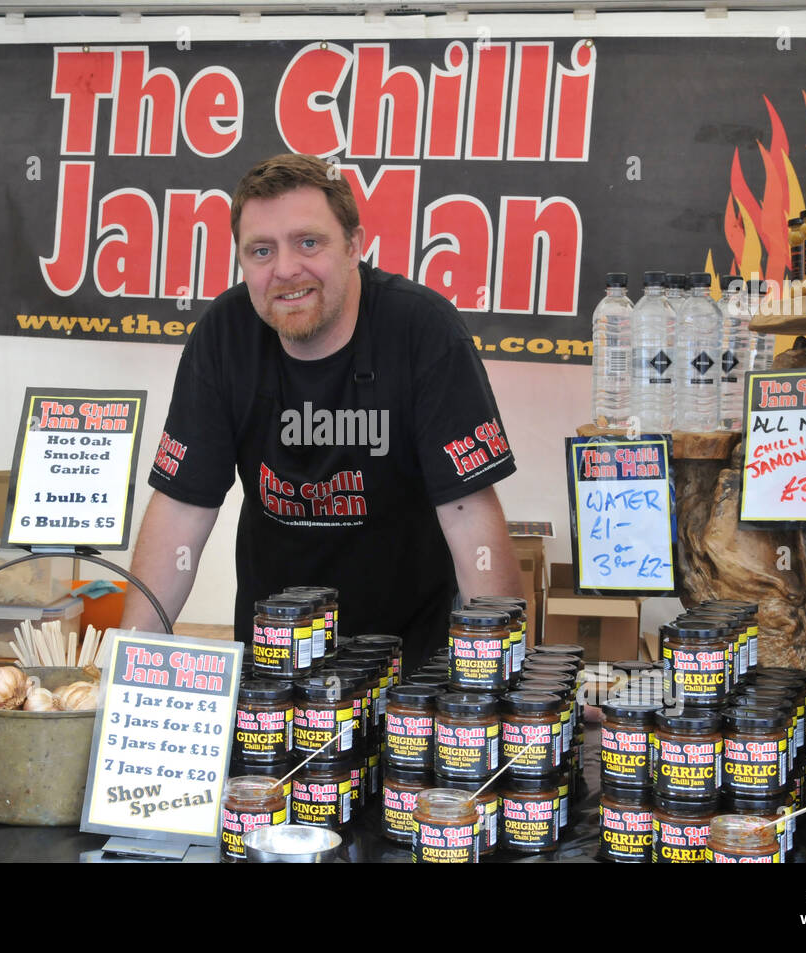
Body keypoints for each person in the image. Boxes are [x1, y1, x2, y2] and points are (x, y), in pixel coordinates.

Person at [120, 153, 520, 670]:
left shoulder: (422, 331)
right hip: (275, 672)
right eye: (261, 251)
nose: (285, 269)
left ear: (354, 245)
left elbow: (469, 517)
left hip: (411, 674)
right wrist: (124, 665)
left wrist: (506, 687)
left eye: (308, 242)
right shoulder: (224, 336)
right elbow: (180, 512)